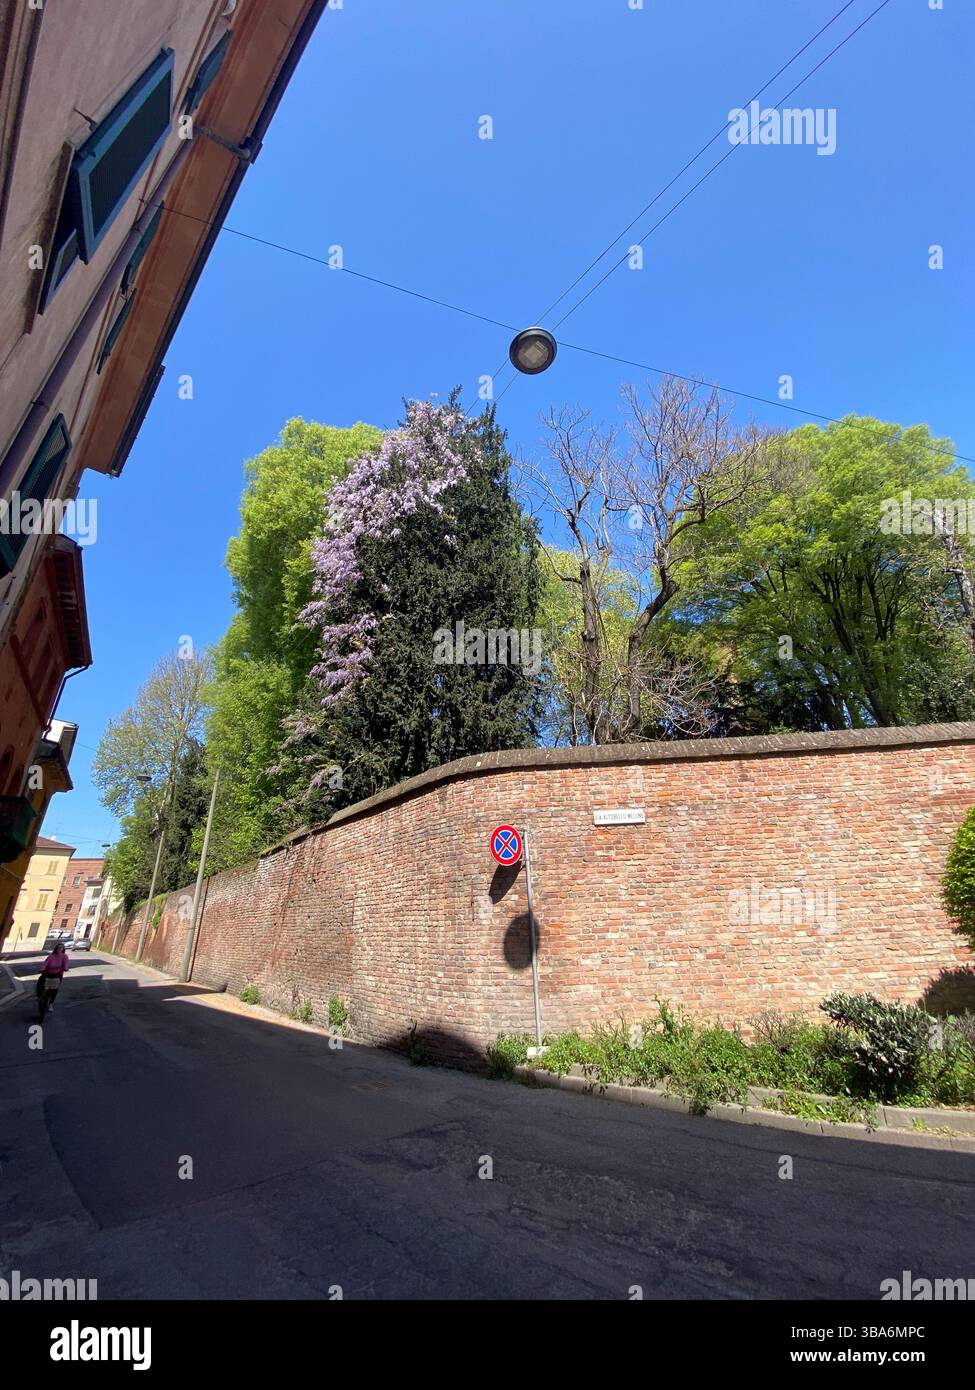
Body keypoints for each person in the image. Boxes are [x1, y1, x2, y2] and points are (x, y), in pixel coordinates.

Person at [36, 941, 70, 1010]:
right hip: (48, 974)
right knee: (40, 983)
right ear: (56, 949)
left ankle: (50, 1004)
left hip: (57, 975)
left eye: (61, 948)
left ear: (63, 949)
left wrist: (66, 968)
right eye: (58, 948)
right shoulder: (51, 956)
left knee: (54, 989)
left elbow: (66, 964)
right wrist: (42, 969)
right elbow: (45, 964)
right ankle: (39, 996)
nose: (60, 949)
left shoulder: (64, 957)